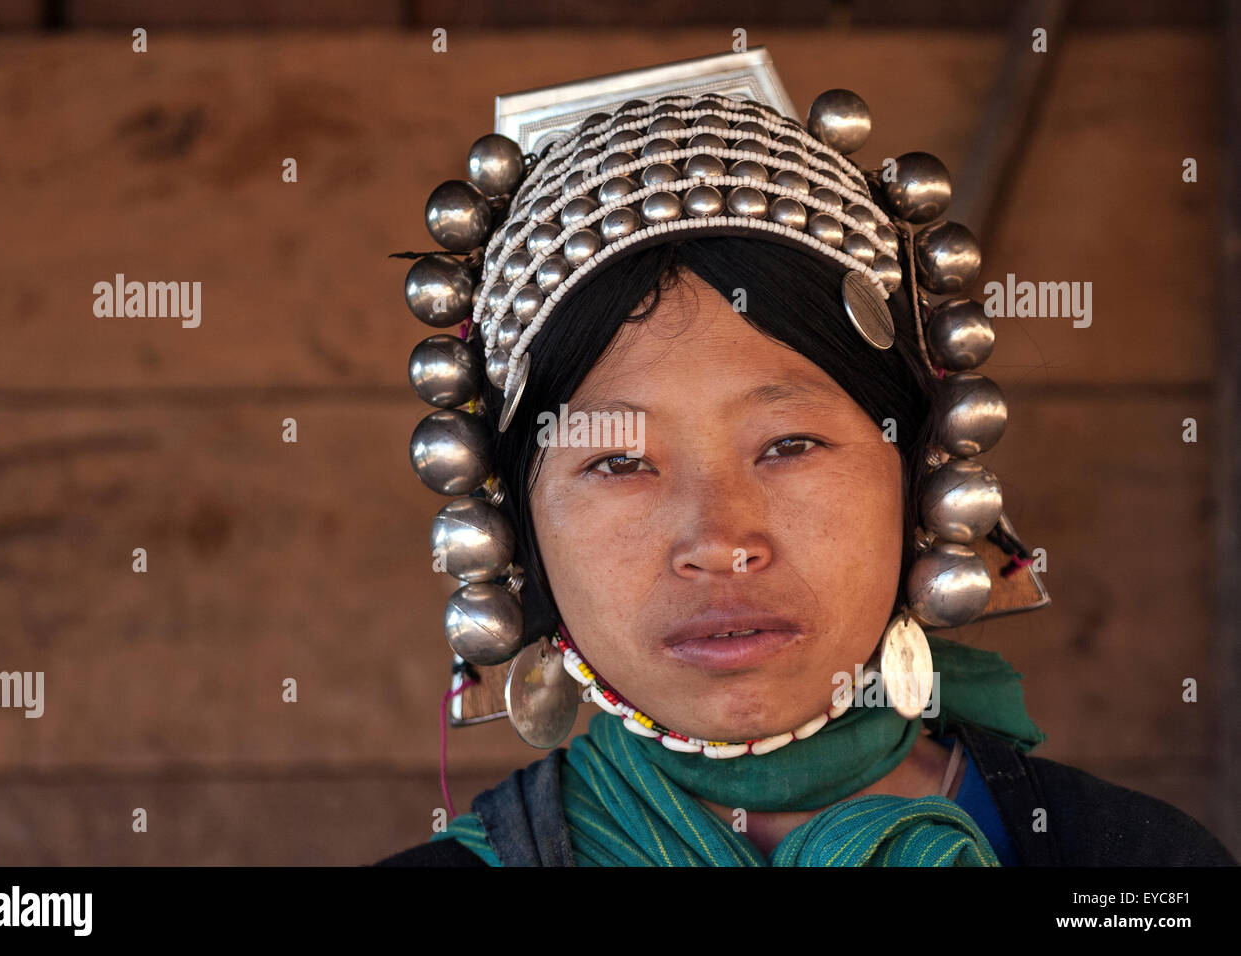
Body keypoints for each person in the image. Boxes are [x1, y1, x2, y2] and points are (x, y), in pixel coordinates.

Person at [390, 65, 1237, 866]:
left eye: (789, 445)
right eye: (618, 461)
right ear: (512, 528)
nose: (719, 541)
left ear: (921, 469)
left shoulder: (1137, 865)